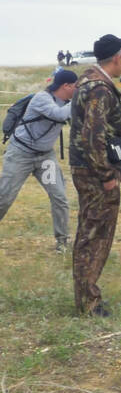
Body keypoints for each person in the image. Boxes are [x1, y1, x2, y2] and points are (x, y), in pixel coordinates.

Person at [70, 34, 121, 317]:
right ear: (117, 57)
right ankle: (88, 302)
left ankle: (85, 295)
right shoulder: (99, 89)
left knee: (89, 231)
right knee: (94, 234)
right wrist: (107, 174)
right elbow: (93, 136)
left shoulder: (87, 81)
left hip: (86, 168)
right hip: (94, 172)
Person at [0, 69, 77, 254]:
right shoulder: (42, 98)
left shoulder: (66, 103)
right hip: (20, 154)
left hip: (45, 157)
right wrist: (78, 100)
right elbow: (59, 115)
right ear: (66, 86)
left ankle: (62, 242)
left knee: (59, 197)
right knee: (4, 197)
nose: (77, 90)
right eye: (76, 87)